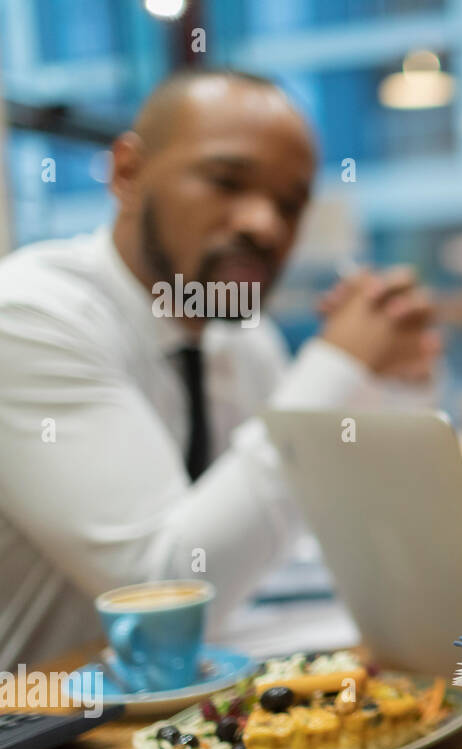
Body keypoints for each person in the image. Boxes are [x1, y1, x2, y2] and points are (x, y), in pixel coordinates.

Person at [0, 69, 439, 670]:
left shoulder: (241, 338)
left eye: (290, 204)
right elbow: (162, 594)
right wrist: (339, 365)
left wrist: (390, 382)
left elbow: (316, 529)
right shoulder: (26, 316)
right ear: (126, 172)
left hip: (173, 718)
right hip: (35, 730)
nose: (265, 224)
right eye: (225, 181)